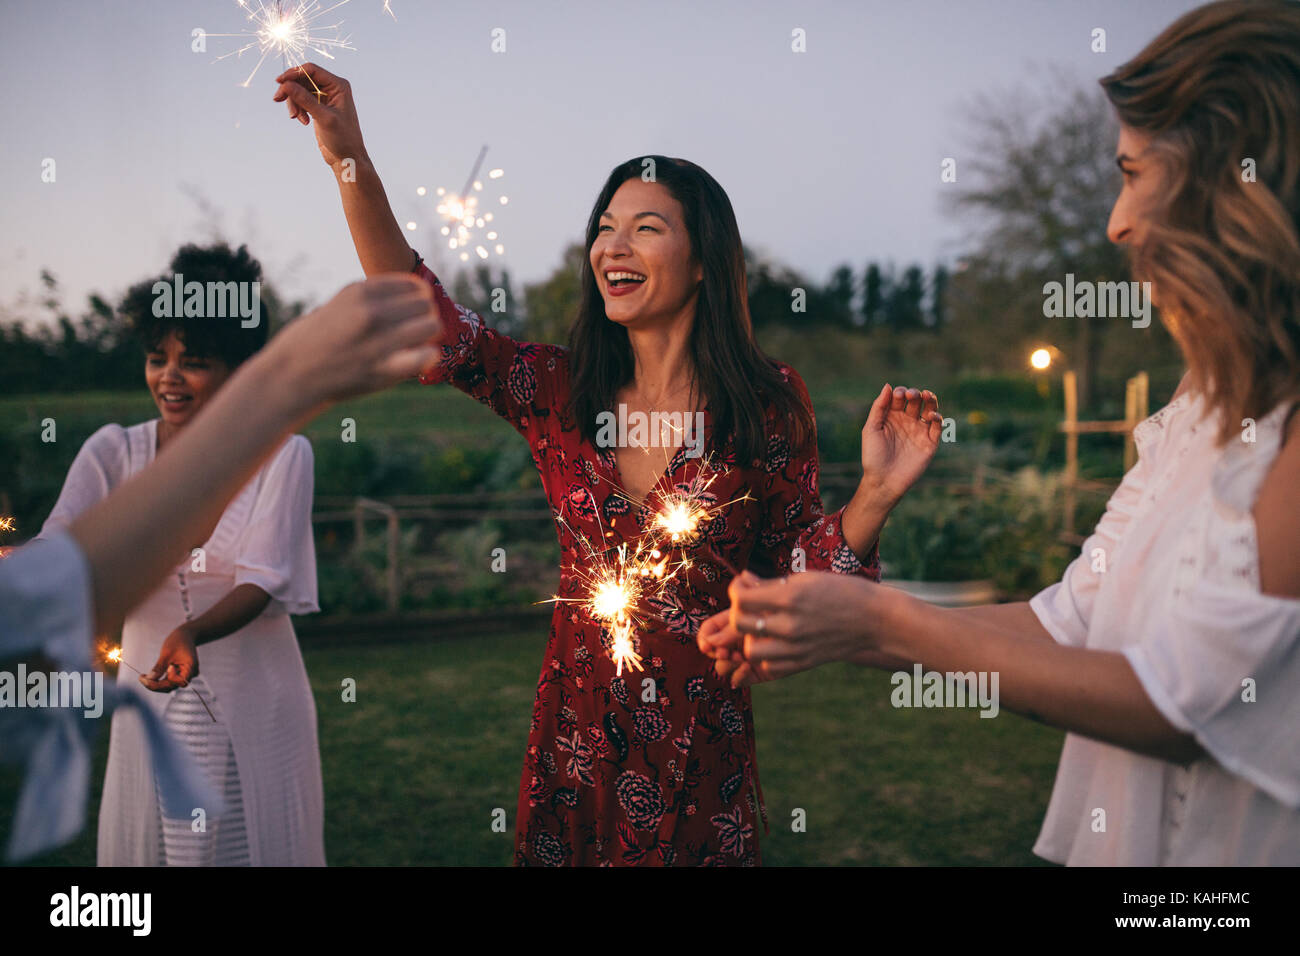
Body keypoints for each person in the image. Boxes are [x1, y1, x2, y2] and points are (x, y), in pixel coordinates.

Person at [273, 65, 943, 865]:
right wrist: (347, 155)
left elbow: (797, 579)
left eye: (646, 228)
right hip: (574, 743)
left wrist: (877, 492)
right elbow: (419, 309)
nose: (612, 247)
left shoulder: (766, 404)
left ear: (704, 260)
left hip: (699, 761)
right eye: (605, 226)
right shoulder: (557, 388)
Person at [698, 0, 1300, 866]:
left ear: (1234, 184)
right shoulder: (1195, 409)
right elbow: (1069, 623)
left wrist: (879, 622)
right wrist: (838, 626)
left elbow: (1182, 709)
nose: (1116, 222)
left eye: (1133, 172)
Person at [0, 274, 441, 862]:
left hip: (252, 698)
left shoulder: (284, 453)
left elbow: (264, 576)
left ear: (238, 370)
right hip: (147, 695)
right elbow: (62, 541)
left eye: (194, 362)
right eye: (157, 359)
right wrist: (22, 561)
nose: (169, 377)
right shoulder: (113, 451)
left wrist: (192, 631)